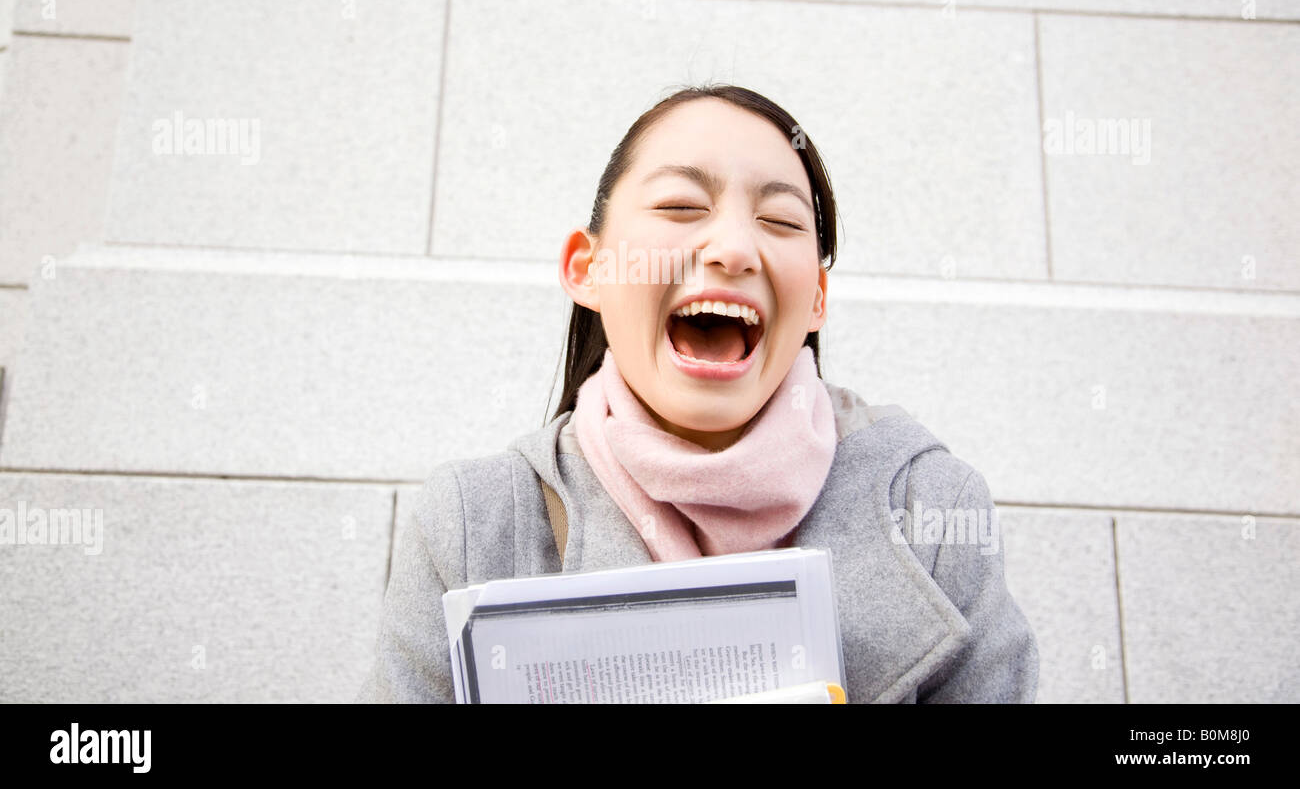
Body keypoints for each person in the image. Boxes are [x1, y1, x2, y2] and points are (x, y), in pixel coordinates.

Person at [356, 84, 1039, 703]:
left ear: (817, 300)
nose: (734, 248)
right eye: (681, 206)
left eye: (780, 221)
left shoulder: (932, 513)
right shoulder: (472, 524)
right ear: (587, 269)